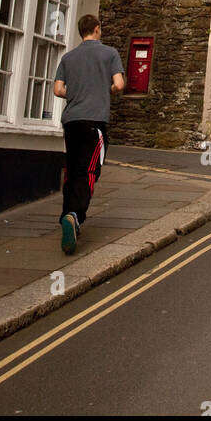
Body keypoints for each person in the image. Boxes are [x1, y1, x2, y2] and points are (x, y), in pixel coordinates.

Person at [53, 14, 125, 255]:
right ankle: (75, 214)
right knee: (90, 170)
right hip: (95, 122)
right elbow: (120, 84)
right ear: (97, 29)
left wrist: (77, 94)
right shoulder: (109, 53)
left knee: (72, 170)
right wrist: (107, 90)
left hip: (71, 121)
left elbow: (58, 89)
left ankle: (66, 216)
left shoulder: (69, 57)